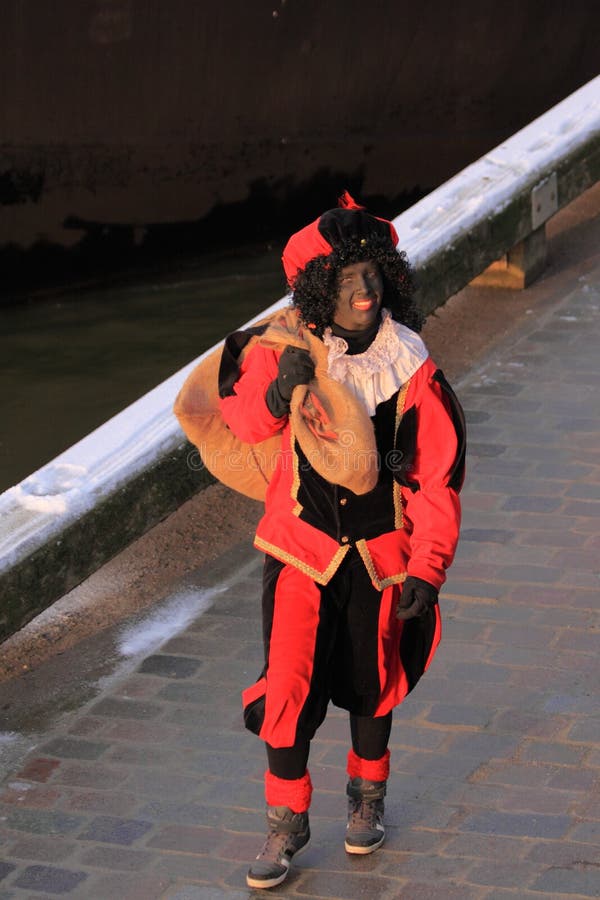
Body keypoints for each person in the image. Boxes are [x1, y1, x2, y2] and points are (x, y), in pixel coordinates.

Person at [217, 193, 465, 889]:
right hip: (302, 549)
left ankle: (367, 799)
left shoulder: (410, 366)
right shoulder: (286, 345)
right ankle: (286, 821)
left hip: (382, 554)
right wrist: (274, 396)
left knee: (372, 680)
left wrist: (428, 567)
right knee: (288, 684)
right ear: (320, 287)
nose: (363, 289)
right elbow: (244, 423)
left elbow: (437, 476)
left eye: (372, 274)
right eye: (348, 276)